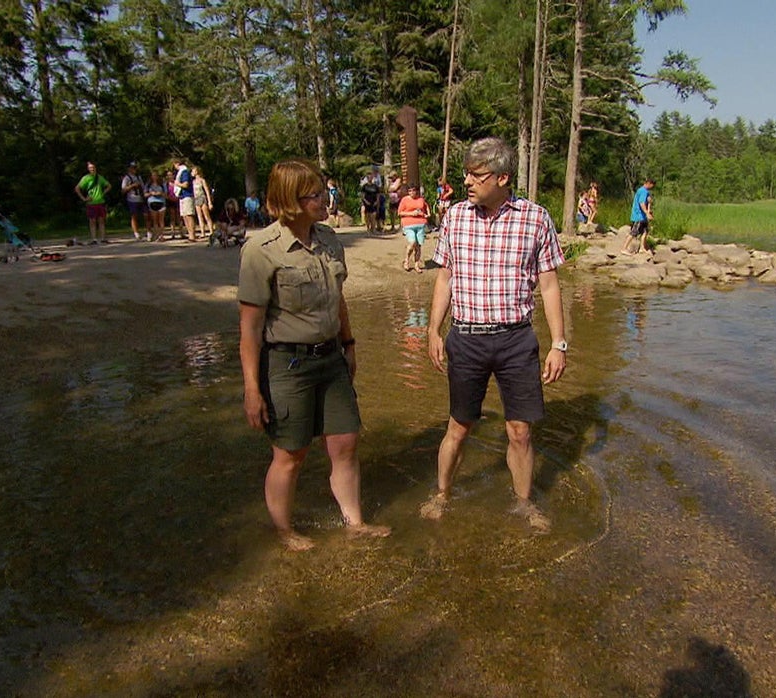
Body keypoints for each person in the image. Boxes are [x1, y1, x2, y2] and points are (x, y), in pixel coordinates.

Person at [238, 158, 391, 551]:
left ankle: (354, 523)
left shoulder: (329, 239)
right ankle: (285, 532)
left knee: (346, 443)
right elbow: (250, 328)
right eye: (316, 194)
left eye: (323, 191)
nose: (325, 199)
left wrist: (350, 343)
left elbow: (337, 298)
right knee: (291, 453)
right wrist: (252, 391)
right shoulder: (260, 251)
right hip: (287, 365)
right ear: (291, 200)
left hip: (332, 359)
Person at [421, 137, 568, 533]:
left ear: (503, 177)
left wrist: (559, 344)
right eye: (466, 173)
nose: (467, 181)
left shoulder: (535, 218)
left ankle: (523, 503)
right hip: (465, 338)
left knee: (519, 430)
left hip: (516, 340)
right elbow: (445, 277)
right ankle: (442, 494)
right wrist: (433, 330)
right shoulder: (454, 217)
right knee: (459, 425)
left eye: (477, 175)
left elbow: (550, 285)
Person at [74, 161, 112, 244]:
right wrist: (84, 199)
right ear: (88, 169)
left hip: (100, 201)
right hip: (91, 203)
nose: (92, 169)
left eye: (93, 167)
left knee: (101, 220)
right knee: (92, 221)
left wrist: (103, 193)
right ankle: (94, 239)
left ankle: (103, 238)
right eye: (90, 168)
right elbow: (77, 188)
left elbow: (109, 186)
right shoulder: (86, 178)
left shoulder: (100, 177)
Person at [398, 183, 430, 272]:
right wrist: (411, 214)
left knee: (418, 246)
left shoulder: (420, 199)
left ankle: (416, 265)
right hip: (409, 224)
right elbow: (400, 212)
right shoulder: (404, 200)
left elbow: (426, 206)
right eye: (409, 190)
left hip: (420, 224)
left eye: (413, 190)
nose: (412, 192)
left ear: (416, 191)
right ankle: (407, 260)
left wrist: (428, 214)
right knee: (412, 242)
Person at [622, 178, 655, 255]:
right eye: (652, 186)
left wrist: (649, 204)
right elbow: (641, 203)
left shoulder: (644, 191)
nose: (652, 188)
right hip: (638, 216)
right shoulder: (643, 191)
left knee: (645, 231)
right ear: (649, 183)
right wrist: (647, 213)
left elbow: (647, 202)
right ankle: (624, 248)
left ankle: (642, 248)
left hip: (642, 217)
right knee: (634, 232)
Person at [172, 157, 197, 242]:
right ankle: (190, 234)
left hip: (187, 195)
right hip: (182, 196)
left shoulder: (184, 172)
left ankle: (192, 235)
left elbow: (186, 184)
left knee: (189, 215)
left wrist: (177, 183)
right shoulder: (181, 172)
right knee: (184, 216)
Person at [121, 161, 146, 240]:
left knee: (146, 215)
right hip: (132, 199)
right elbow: (123, 190)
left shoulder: (139, 177)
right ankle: (136, 233)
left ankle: (148, 231)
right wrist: (132, 186)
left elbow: (143, 187)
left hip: (140, 198)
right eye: (132, 168)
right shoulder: (126, 178)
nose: (134, 169)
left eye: (135, 168)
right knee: (134, 216)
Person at [192, 166, 214, 239]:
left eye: (193, 171)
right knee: (199, 216)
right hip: (196, 199)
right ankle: (202, 232)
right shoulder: (193, 182)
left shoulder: (202, 180)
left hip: (202, 197)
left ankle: (211, 231)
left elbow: (207, 191)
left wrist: (209, 202)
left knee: (206, 215)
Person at [144, 171, 167, 241]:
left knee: (161, 220)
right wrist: (151, 193)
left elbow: (166, 195)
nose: (154, 177)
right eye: (153, 175)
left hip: (161, 202)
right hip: (152, 202)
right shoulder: (148, 185)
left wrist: (160, 193)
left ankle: (161, 235)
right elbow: (145, 195)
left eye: (156, 175)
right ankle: (157, 235)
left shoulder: (162, 184)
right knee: (155, 221)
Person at [360, 169, 383, 234]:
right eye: (368, 177)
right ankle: (368, 228)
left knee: (373, 216)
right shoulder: (364, 186)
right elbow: (362, 195)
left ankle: (373, 228)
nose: (369, 178)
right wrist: (365, 201)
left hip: (374, 202)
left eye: (370, 177)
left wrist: (377, 201)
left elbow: (378, 195)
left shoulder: (375, 186)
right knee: (367, 216)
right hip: (367, 202)